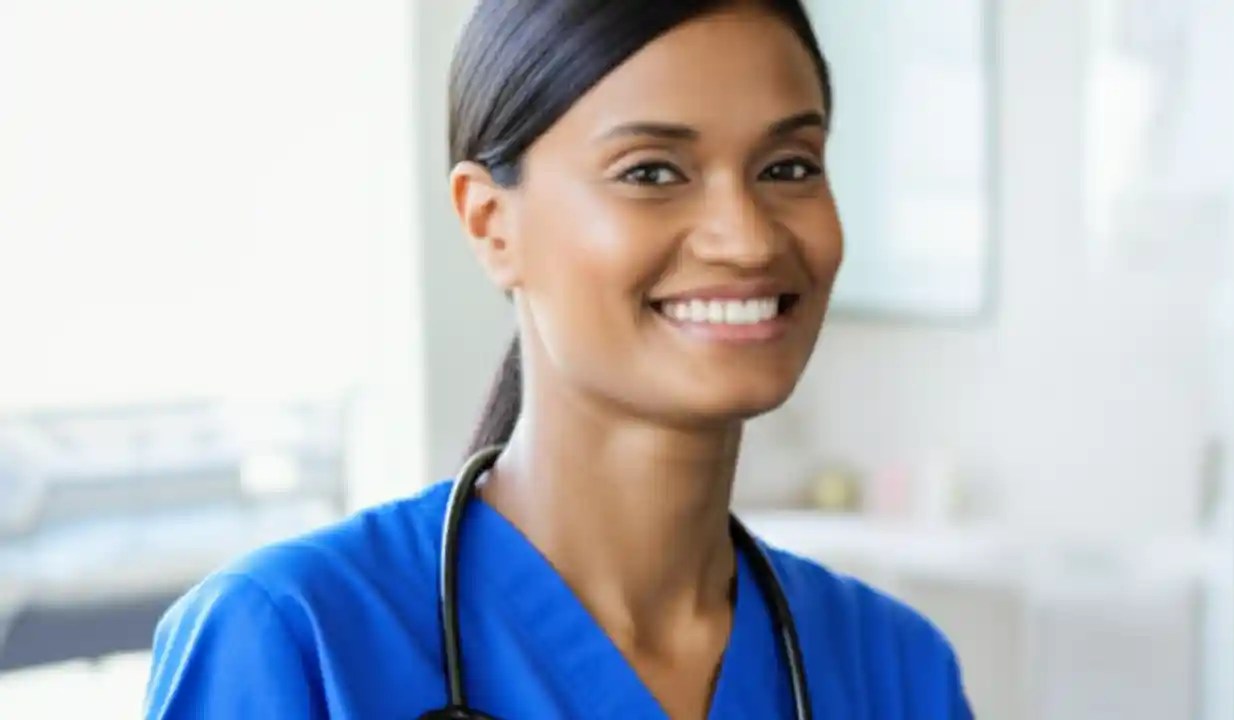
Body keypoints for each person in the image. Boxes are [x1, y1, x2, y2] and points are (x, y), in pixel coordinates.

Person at [144, 1, 974, 718]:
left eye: (787, 167)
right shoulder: (294, 642)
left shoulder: (896, 672)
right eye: (652, 171)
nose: (747, 236)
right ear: (489, 223)